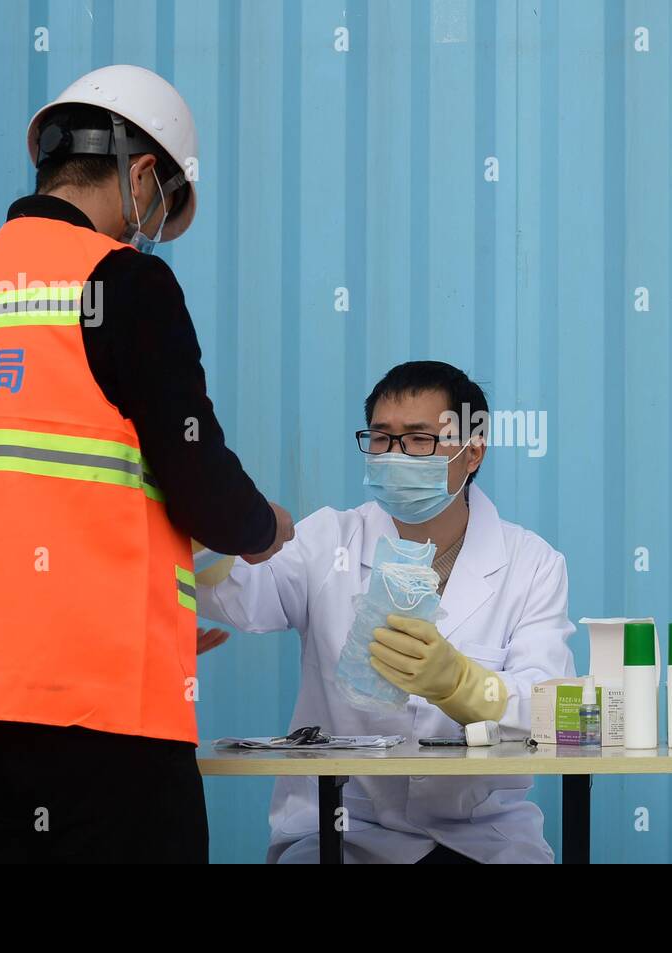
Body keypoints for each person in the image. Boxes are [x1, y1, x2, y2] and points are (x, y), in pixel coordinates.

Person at [0, 65, 293, 863]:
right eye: (161, 211)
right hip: (92, 712)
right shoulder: (122, 283)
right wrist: (266, 527)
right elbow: (206, 486)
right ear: (140, 176)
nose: (152, 232)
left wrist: (145, 612)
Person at [196, 361, 575, 863]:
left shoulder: (532, 564)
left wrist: (463, 686)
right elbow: (241, 593)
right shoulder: (329, 539)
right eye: (381, 439)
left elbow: (549, 708)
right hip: (340, 826)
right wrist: (219, 529)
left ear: (473, 450)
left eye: (419, 439)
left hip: (483, 835)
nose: (396, 455)